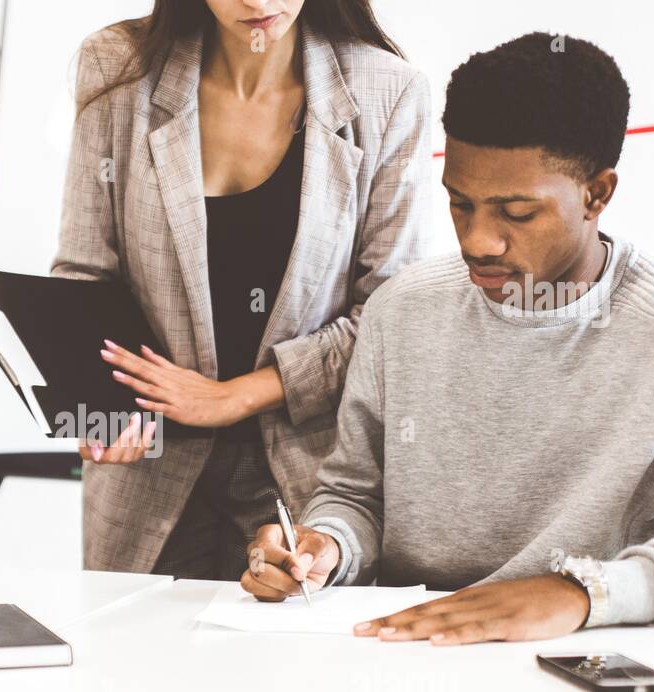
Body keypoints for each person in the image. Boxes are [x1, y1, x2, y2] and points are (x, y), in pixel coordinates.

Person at [240, 32, 654, 641]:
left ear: (597, 194)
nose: (478, 241)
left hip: (588, 661)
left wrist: (582, 594)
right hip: (408, 654)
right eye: (460, 204)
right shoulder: (401, 310)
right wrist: (325, 545)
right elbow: (354, 495)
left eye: (516, 213)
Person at [52, 0, 432, 577]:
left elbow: (386, 318)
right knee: (131, 662)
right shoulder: (118, 65)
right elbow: (83, 274)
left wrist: (233, 396)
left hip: (306, 472)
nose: (257, 3)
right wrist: (97, 403)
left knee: (277, 663)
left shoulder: (389, 91)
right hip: (147, 469)